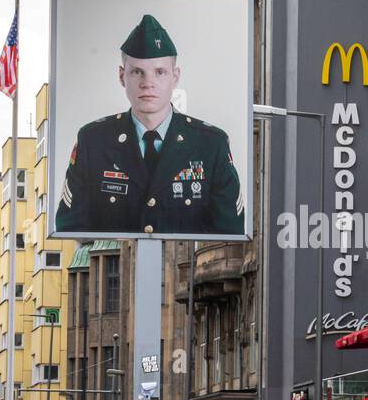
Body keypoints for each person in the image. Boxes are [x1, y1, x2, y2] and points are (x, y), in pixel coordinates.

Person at [55, 13, 245, 236]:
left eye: (159, 72)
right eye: (137, 72)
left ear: (175, 77)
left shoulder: (211, 144)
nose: (148, 83)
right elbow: (70, 228)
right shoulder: (93, 141)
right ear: (121, 76)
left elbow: (231, 231)